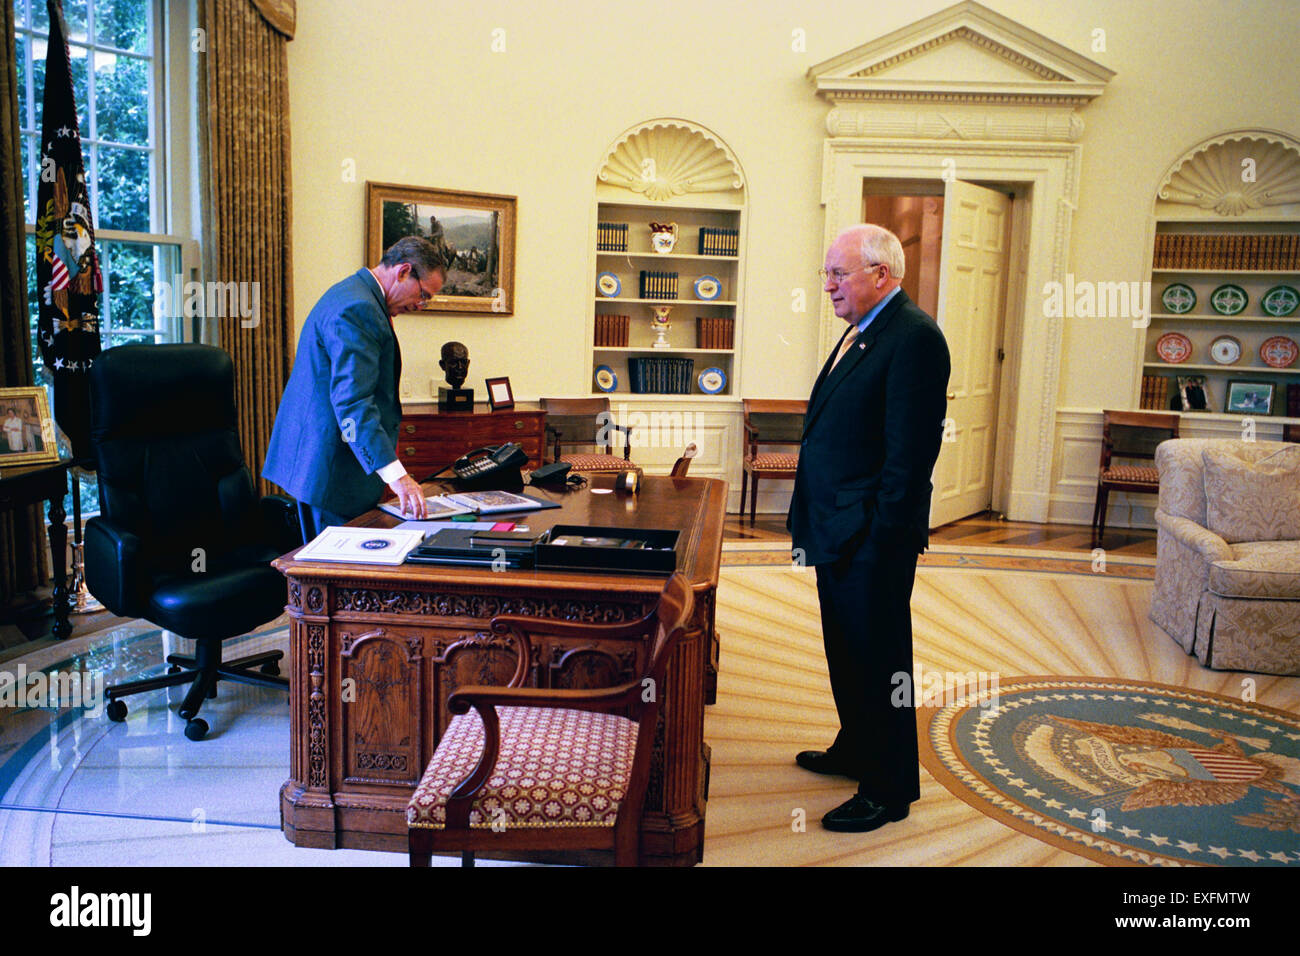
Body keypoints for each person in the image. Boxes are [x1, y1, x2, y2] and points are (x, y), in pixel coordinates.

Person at [787, 223, 951, 833]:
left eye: (838, 273)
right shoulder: (862, 331)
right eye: (827, 272)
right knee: (846, 647)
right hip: (836, 526)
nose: (827, 285)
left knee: (882, 659)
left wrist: (883, 539)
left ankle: (888, 786)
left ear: (880, 275)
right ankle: (855, 746)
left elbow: (909, 459)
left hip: (872, 536)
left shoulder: (914, 338)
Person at [264, 236, 454, 542]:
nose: (421, 305)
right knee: (334, 580)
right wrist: (398, 477)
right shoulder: (359, 308)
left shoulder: (354, 293)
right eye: (423, 295)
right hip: (332, 473)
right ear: (404, 271)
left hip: (330, 466)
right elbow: (353, 404)